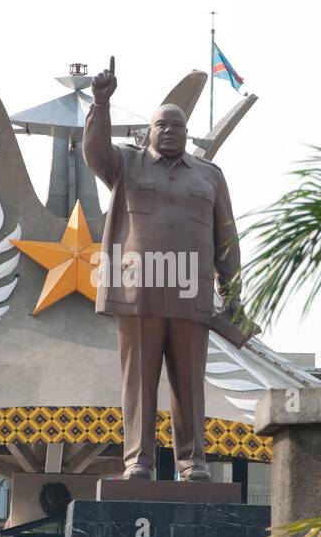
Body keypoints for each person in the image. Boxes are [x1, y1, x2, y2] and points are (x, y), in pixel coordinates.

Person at [83, 55, 250, 481]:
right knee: (138, 382)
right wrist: (100, 104)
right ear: (149, 132)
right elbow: (95, 151)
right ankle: (137, 459)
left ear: (187, 133)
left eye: (177, 126)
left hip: (191, 294)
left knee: (190, 383)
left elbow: (226, 239)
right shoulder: (126, 163)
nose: (171, 131)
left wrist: (233, 294)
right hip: (140, 291)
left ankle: (192, 461)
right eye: (163, 125)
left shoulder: (210, 176)